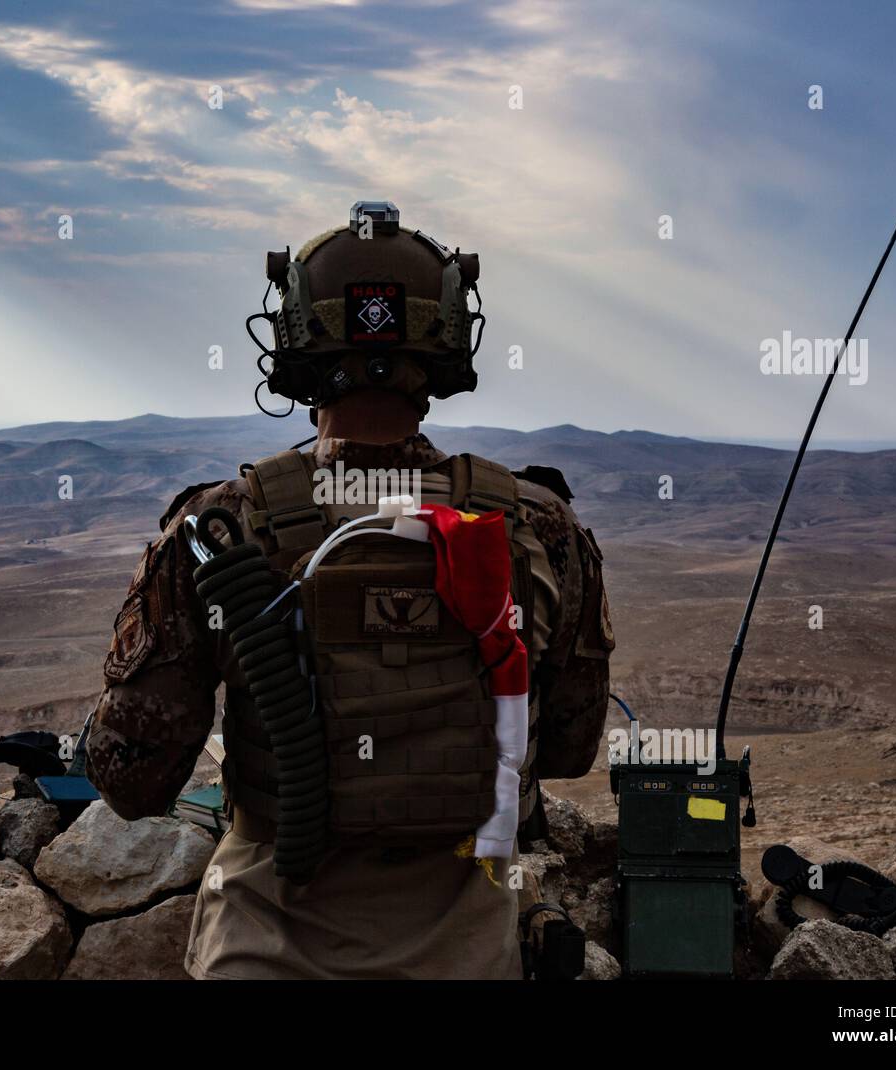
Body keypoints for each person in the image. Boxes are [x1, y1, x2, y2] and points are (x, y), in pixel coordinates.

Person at [86, 202, 615, 979]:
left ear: (296, 335)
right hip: (467, 952)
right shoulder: (541, 525)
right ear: (446, 339)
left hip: (263, 946)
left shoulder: (219, 527)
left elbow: (132, 781)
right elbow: (569, 748)